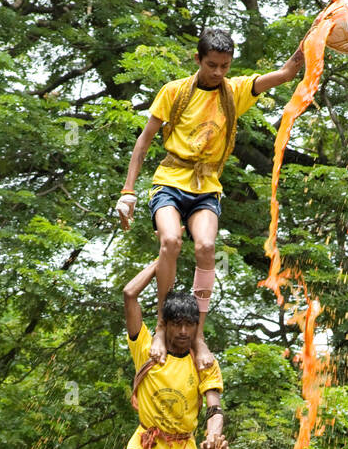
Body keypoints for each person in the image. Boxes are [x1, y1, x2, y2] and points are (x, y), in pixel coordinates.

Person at [116, 26, 304, 359]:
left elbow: (288, 72)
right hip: (171, 181)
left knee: (205, 246)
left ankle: (198, 334)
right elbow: (143, 141)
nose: (218, 72)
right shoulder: (174, 92)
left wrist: (317, 33)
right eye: (212, 65)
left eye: (225, 66)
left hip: (206, 188)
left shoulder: (235, 92)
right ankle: (162, 326)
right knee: (171, 241)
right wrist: (128, 191)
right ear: (198, 59)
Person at [121, 258, 228, 449]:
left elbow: (215, 409)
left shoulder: (204, 362)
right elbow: (129, 294)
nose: (183, 331)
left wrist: (212, 436)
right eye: (176, 324)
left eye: (189, 325)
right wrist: (162, 259)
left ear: (196, 327)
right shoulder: (146, 349)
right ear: (163, 325)